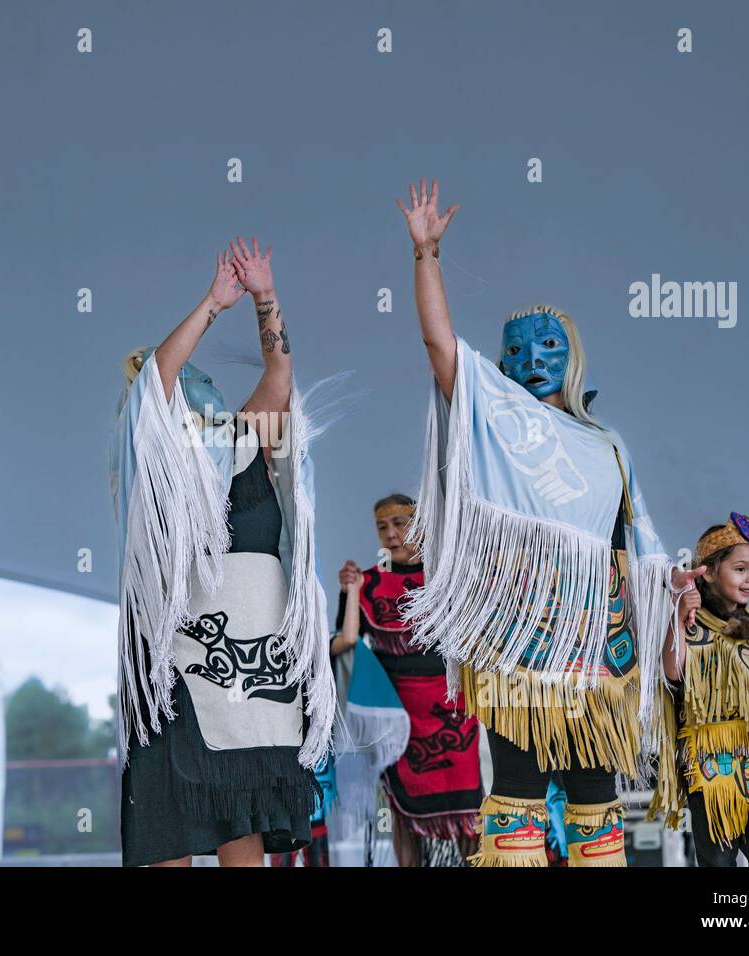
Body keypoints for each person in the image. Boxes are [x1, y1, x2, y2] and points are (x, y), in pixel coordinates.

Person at [394, 178, 700, 866]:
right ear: (501, 363)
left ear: (573, 357)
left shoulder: (607, 444)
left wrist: (670, 590)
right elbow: (441, 347)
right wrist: (427, 256)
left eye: (548, 349)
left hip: (599, 646)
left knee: (595, 795)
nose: (533, 361)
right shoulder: (495, 420)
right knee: (520, 791)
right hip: (519, 643)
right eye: (519, 350)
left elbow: (637, 542)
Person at [111, 237, 334, 867]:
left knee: (244, 833)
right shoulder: (152, 469)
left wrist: (264, 297)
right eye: (181, 384)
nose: (191, 391)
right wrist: (212, 304)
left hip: (254, 672)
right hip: (178, 666)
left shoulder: (246, 439)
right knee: (167, 826)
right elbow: (155, 381)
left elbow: (281, 374)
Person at [650, 514, 749, 867]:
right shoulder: (690, 619)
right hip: (707, 753)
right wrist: (677, 617)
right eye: (740, 569)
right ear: (707, 572)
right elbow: (672, 673)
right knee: (717, 857)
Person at [333, 494, 483, 866]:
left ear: (419, 525)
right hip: (399, 714)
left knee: (467, 810)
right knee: (403, 809)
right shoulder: (368, 583)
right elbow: (346, 641)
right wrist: (350, 592)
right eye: (383, 527)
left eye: (400, 524)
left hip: (452, 707)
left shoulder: (446, 579)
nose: (391, 534)